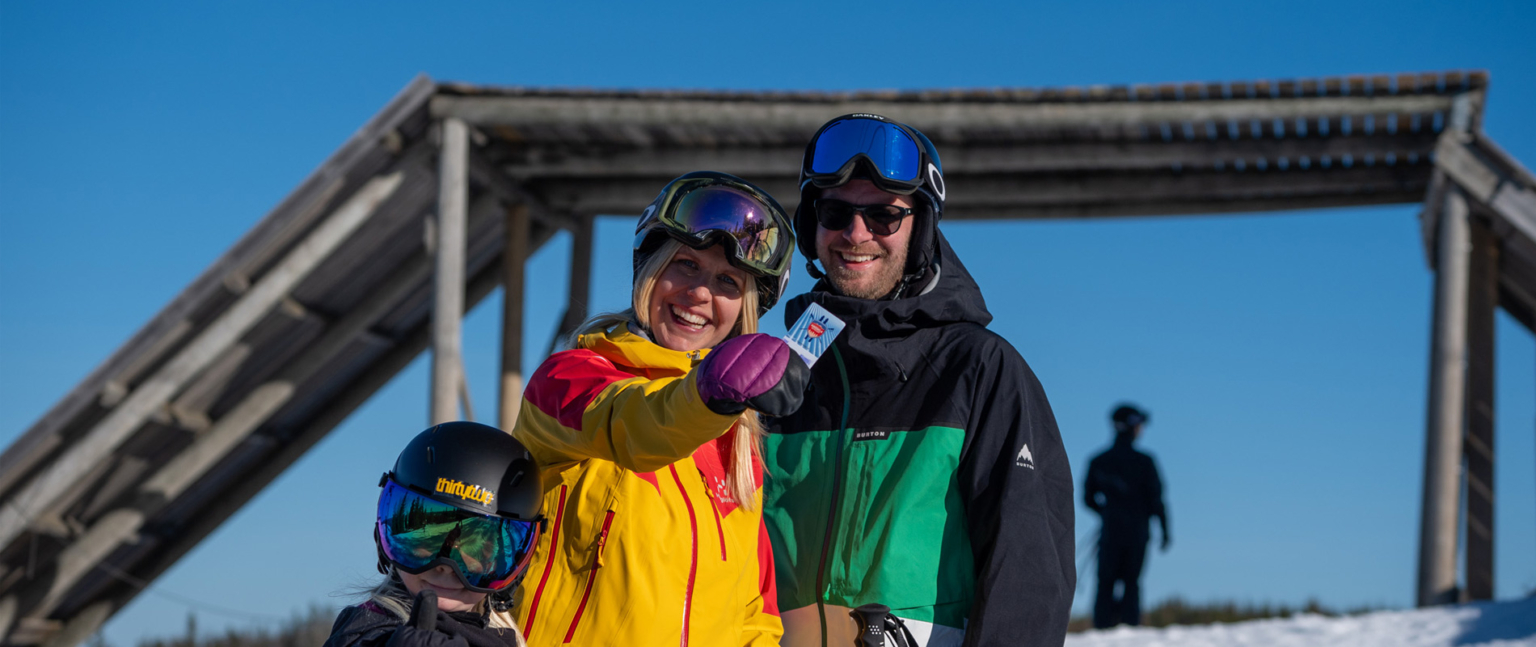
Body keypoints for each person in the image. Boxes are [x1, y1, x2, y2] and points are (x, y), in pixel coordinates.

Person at [762, 114, 1076, 647]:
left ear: (921, 227)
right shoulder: (778, 376)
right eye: (836, 212)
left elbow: (1028, 575)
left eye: (884, 216)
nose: (856, 234)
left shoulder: (978, 370)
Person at [508, 171, 809, 646]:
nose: (700, 293)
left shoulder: (738, 443)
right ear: (650, 266)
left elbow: (756, 614)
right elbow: (635, 427)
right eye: (686, 265)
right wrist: (711, 392)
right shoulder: (569, 378)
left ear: (745, 308)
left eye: (727, 280)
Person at [325, 421, 545, 647]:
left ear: (514, 565)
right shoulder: (365, 629)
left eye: (476, 550)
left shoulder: (504, 640)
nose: (447, 565)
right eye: (428, 541)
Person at [1084, 403, 1169, 629]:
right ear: (1131, 427)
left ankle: (1102, 632)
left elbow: (1087, 498)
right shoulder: (1145, 462)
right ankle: (1130, 632)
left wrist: (1106, 513)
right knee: (1132, 583)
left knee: (1106, 584)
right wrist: (1165, 530)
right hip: (1137, 532)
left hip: (1110, 531)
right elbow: (1157, 500)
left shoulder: (1099, 460)